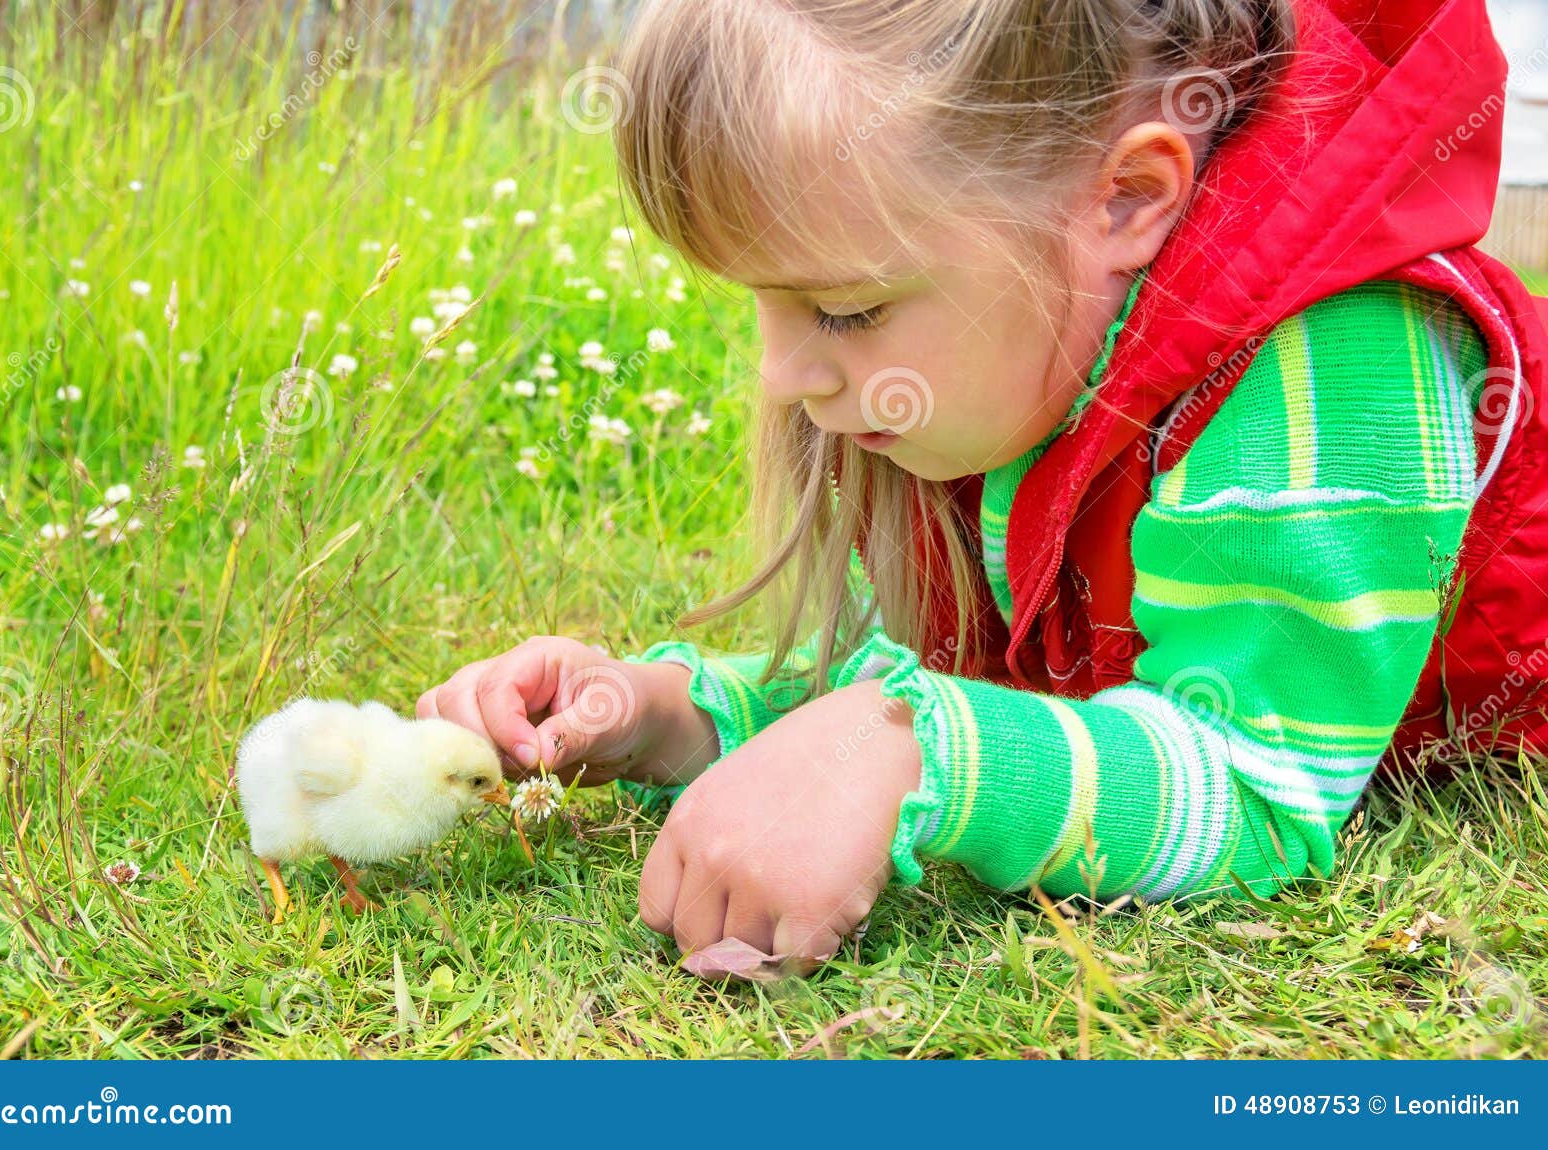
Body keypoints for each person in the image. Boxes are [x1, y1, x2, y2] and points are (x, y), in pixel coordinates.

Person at [418, 0, 1548, 964]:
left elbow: (1258, 787)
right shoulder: (1020, 344)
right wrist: (668, 715)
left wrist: (921, 748)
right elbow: (991, 672)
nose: (782, 375)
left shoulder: (1328, 367)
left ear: (1125, 198)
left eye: (846, 308)